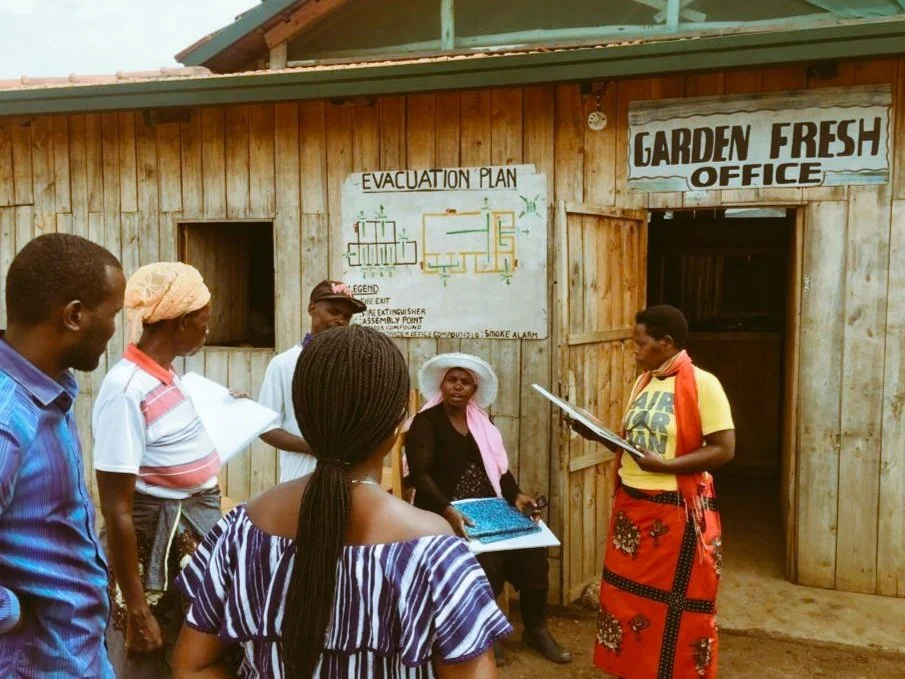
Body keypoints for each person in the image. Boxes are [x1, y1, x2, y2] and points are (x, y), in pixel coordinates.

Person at [172, 326, 510, 677]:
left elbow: (192, 665)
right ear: (398, 423)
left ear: (303, 416)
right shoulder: (434, 548)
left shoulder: (241, 529)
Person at [572, 305, 735, 679]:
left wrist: (667, 466)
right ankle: (634, 671)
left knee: (674, 606)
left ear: (667, 343)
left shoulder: (703, 383)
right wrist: (593, 431)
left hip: (675, 514)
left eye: (640, 343)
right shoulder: (644, 382)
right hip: (634, 509)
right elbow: (634, 444)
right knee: (626, 601)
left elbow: (724, 449)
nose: (635, 349)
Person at [0, 234, 125, 677]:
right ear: (74, 316)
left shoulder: (48, 393)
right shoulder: (7, 419)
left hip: (79, 657)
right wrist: (11, 612)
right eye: (113, 314)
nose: (115, 328)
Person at [93, 262, 221, 678]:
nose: (207, 329)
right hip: (153, 549)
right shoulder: (125, 390)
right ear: (183, 322)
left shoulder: (165, 376)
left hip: (184, 535)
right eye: (203, 319)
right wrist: (137, 607)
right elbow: (117, 509)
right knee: (145, 655)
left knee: (179, 658)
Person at [404, 353, 572, 666]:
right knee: (488, 561)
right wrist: (447, 510)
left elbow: (499, 472)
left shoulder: (482, 422)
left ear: (473, 389)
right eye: (452, 379)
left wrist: (517, 496)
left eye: (464, 381)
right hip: (443, 510)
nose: (457, 386)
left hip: (489, 508)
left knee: (534, 554)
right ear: (442, 384)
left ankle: (535, 629)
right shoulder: (426, 423)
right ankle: (483, 632)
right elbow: (420, 475)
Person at [257, 280, 366, 482]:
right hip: (300, 477)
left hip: (347, 477)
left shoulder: (355, 364)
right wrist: (316, 449)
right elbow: (265, 429)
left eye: (347, 316)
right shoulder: (284, 363)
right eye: (333, 311)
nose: (341, 320)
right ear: (312, 308)